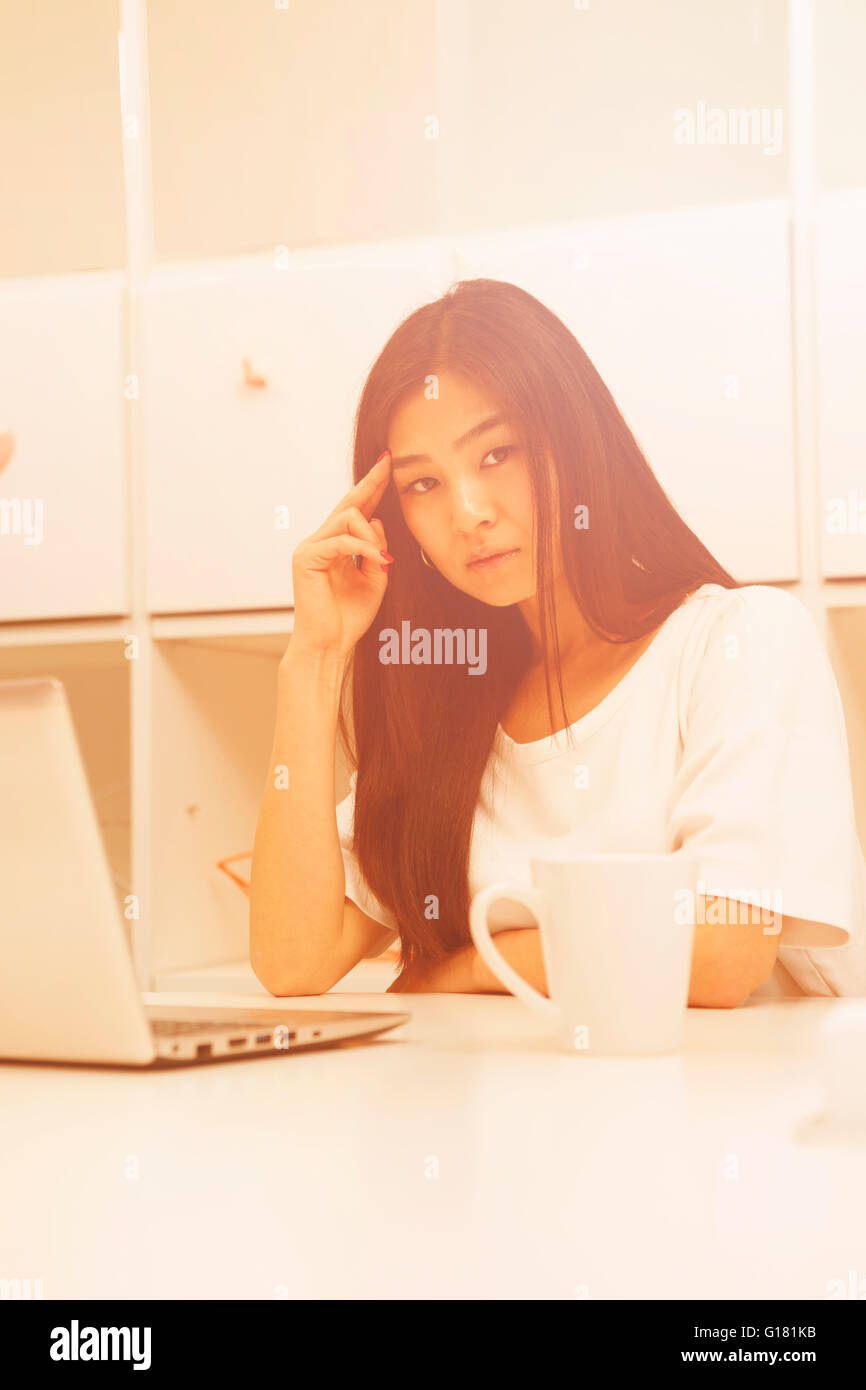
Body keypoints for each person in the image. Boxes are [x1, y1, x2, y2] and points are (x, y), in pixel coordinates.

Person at [249, 279, 866, 1005]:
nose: (469, 513)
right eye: (422, 485)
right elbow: (292, 961)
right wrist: (314, 662)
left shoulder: (739, 640)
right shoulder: (449, 704)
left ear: (576, 441)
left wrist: (476, 966)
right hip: (528, 1104)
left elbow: (722, 950)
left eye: (496, 453)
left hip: (735, 1107)